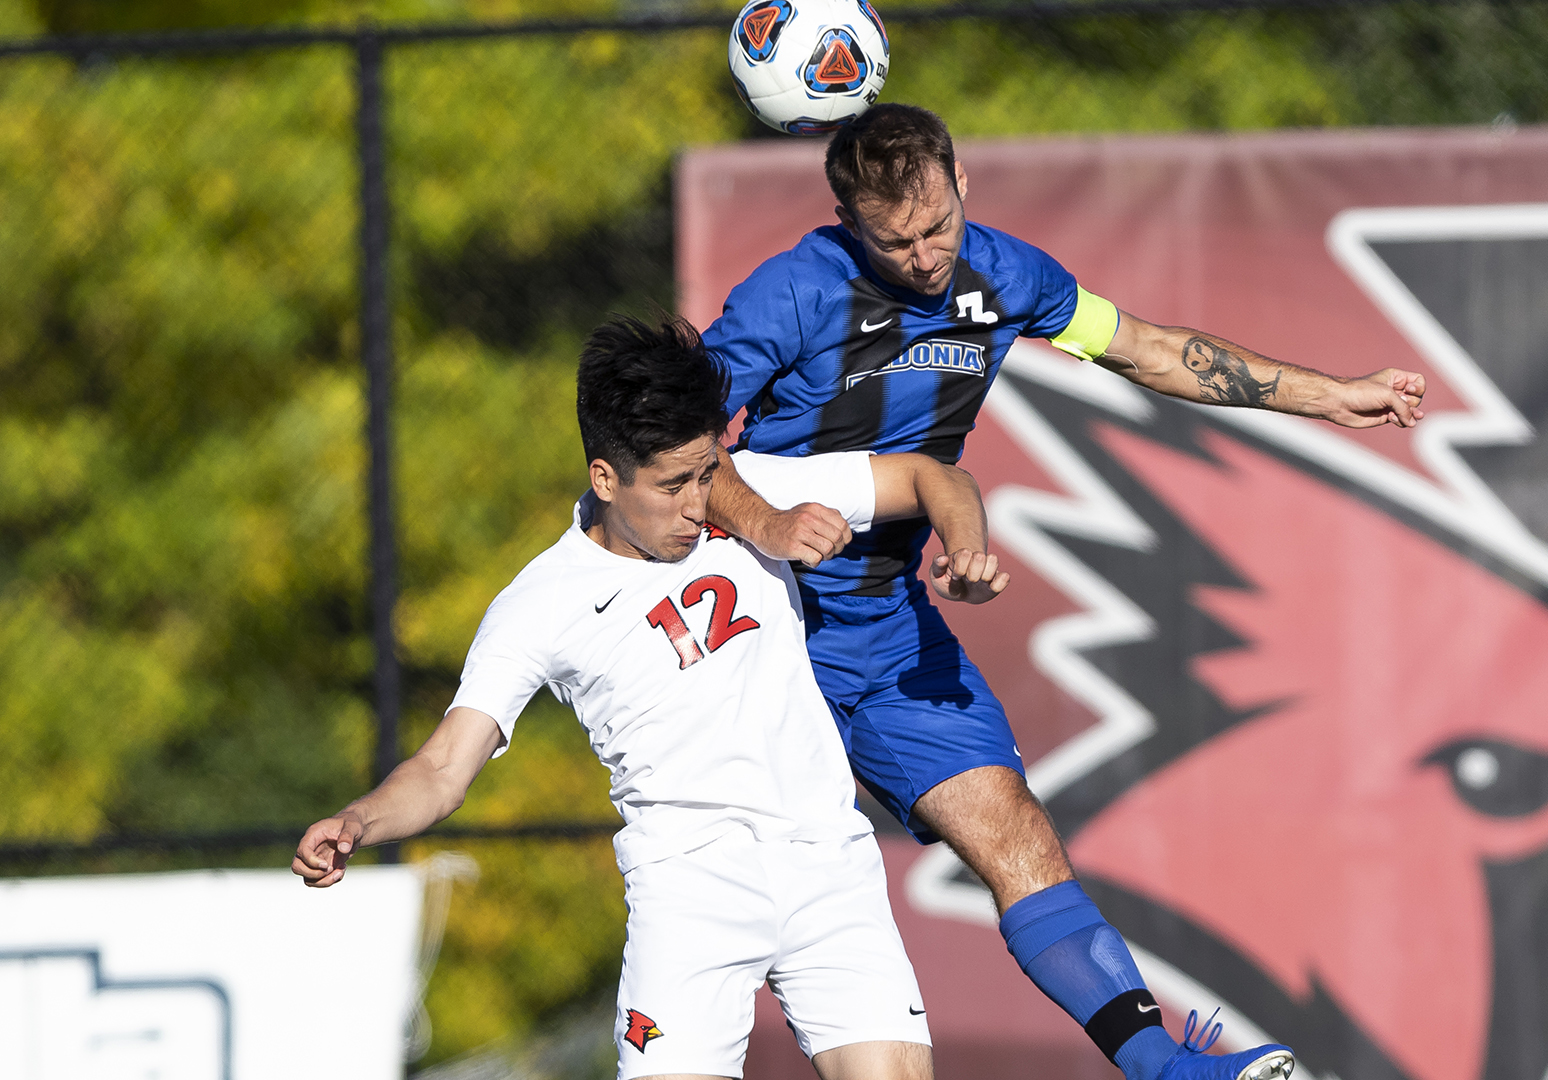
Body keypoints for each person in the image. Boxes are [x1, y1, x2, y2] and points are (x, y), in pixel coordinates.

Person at [700, 104, 1430, 1080]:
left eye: (936, 230)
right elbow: (674, 443)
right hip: (752, 620)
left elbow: (1152, 350)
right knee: (734, 905)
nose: (922, 257)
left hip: (880, 620)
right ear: (846, 222)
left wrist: (1329, 394)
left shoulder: (1010, 277)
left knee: (1011, 826)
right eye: (895, 241)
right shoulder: (790, 294)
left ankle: (1166, 1067)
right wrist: (771, 528)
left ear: (965, 188)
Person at [291, 314, 1013, 1080]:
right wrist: (357, 820)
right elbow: (443, 770)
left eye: (706, 473)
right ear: (605, 477)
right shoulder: (540, 603)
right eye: (672, 486)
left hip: (824, 863)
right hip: (690, 890)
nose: (699, 504)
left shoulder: (751, 496)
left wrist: (964, 547)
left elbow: (938, 478)